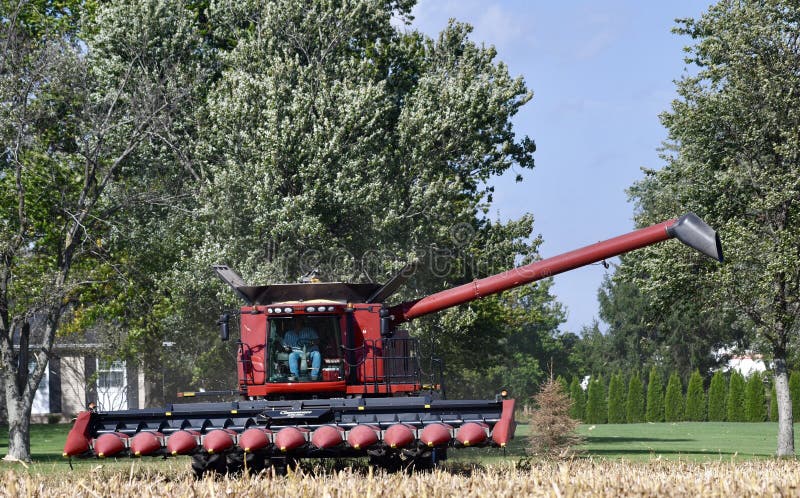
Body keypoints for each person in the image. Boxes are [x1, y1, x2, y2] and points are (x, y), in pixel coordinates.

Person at [282, 317, 322, 381]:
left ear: (302, 322)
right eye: (295, 322)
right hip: (296, 352)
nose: (296, 323)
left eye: (298, 322)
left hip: (309, 351)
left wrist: (311, 342)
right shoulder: (288, 334)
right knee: (291, 355)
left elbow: (317, 340)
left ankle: (314, 376)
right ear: (292, 323)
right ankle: (295, 376)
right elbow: (285, 346)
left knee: (317, 354)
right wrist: (286, 348)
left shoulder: (309, 330)